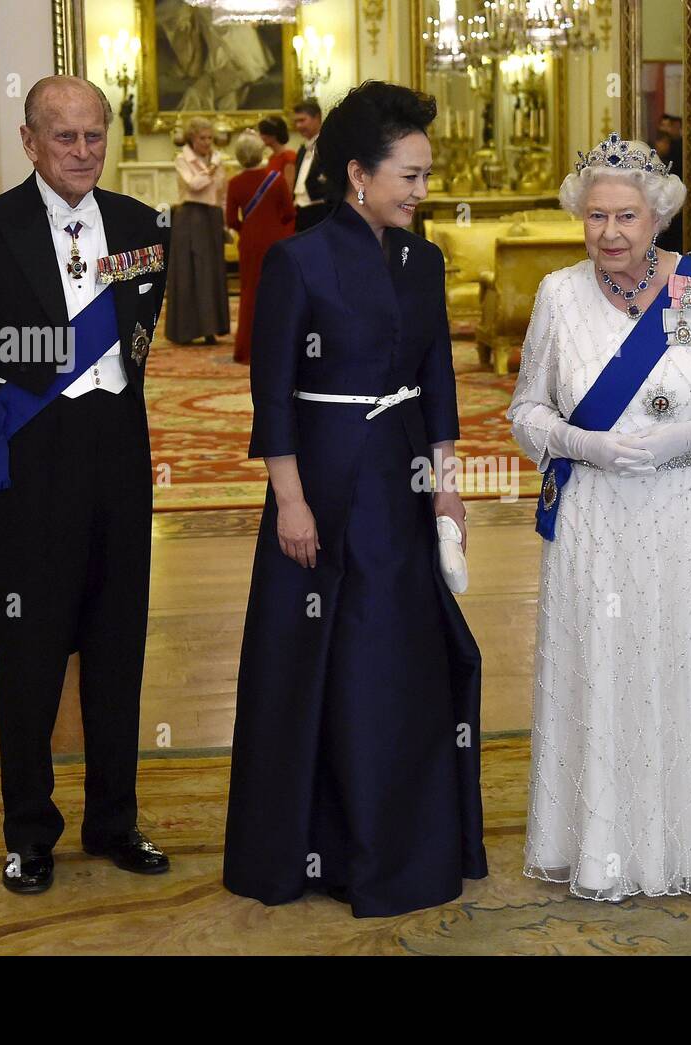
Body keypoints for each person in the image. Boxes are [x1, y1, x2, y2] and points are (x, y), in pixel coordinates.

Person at [223, 80, 487, 918]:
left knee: (399, 662)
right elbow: (274, 397)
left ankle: (407, 839)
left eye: (424, 174)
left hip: (402, 477)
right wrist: (290, 502)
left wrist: (447, 488)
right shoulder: (296, 260)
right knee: (326, 661)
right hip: (325, 484)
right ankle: (321, 844)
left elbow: (438, 380)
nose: (421, 190)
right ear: (357, 175)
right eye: (408, 175)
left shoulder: (425, 259)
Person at [507, 133, 691, 902]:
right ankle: (600, 846)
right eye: (596, 217)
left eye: (626, 216)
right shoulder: (559, 295)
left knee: (683, 666)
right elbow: (526, 411)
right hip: (594, 514)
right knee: (602, 662)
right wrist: (578, 440)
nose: (611, 233)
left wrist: (688, 436)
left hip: (686, 514)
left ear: (657, 217)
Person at [0, 75, 171, 893]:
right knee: (28, 661)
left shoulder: (141, 227)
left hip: (118, 465)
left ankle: (114, 819)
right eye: (64, 137)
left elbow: (134, 339)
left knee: (115, 648)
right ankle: (29, 831)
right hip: (26, 469)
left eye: (95, 135)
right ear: (29, 141)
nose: (82, 152)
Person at [225, 131, 295, 367]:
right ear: (260, 152)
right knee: (278, 293)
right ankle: (278, 349)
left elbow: (231, 220)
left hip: (249, 242)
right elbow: (289, 213)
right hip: (276, 242)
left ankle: (245, 350)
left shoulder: (234, 183)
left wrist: (248, 228)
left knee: (249, 294)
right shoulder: (276, 179)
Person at [166, 116, 230, 345]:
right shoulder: (182, 158)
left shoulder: (216, 159)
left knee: (211, 272)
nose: (207, 142)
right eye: (203, 138)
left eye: (210, 138)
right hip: (190, 216)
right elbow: (194, 185)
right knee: (190, 270)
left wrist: (224, 222)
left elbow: (222, 191)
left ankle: (211, 328)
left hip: (212, 217)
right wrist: (211, 170)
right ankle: (186, 330)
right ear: (193, 138)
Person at [291, 98, 332, 231]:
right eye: (296, 121)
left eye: (302, 120)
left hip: (321, 211)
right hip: (301, 212)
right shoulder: (302, 149)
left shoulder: (328, 145)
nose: (298, 126)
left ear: (317, 117)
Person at [257, 114, 298, 197]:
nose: (260, 136)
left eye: (263, 133)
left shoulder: (289, 156)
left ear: (273, 135)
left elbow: (289, 190)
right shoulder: (272, 157)